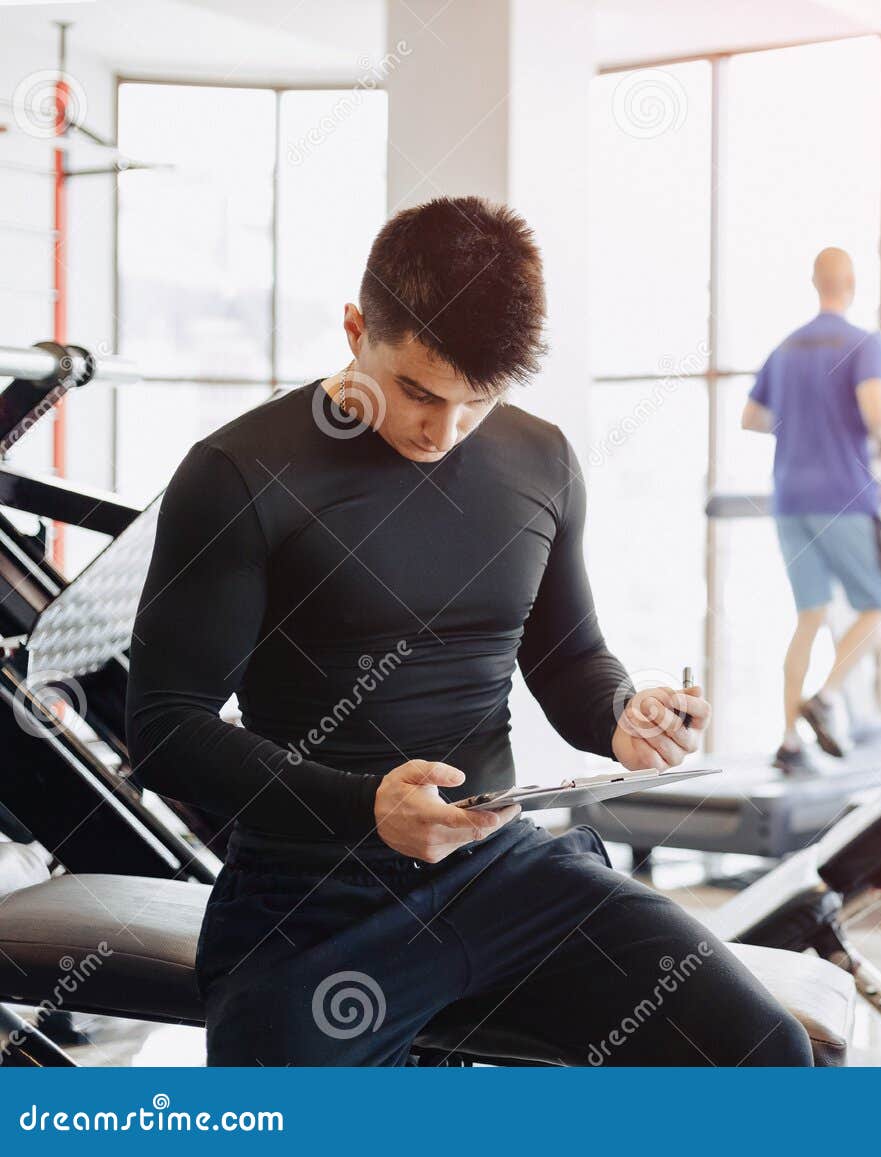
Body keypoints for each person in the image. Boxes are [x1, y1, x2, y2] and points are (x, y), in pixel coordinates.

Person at [127, 196, 813, 1067]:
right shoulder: (239, 474)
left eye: (477, 403)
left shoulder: (542, 459)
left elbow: (567, 656)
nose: (442, 431)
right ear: (353, 329)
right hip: (312, 900)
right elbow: (163, 729)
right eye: (418, 391)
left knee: (764, 1050)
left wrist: (620, 713)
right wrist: (364, 807)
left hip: (504, 874)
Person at [741, 248, 881, 775]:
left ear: (814, 283)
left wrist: (801, 425)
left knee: (809, 616)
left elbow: (751, 416)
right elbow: (878, 416)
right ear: (850, 283)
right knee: (875, 606)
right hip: (845, 495)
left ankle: (788, 739)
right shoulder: (864, 343)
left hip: (790, 496)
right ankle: (827, 696)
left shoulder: (785, 347)